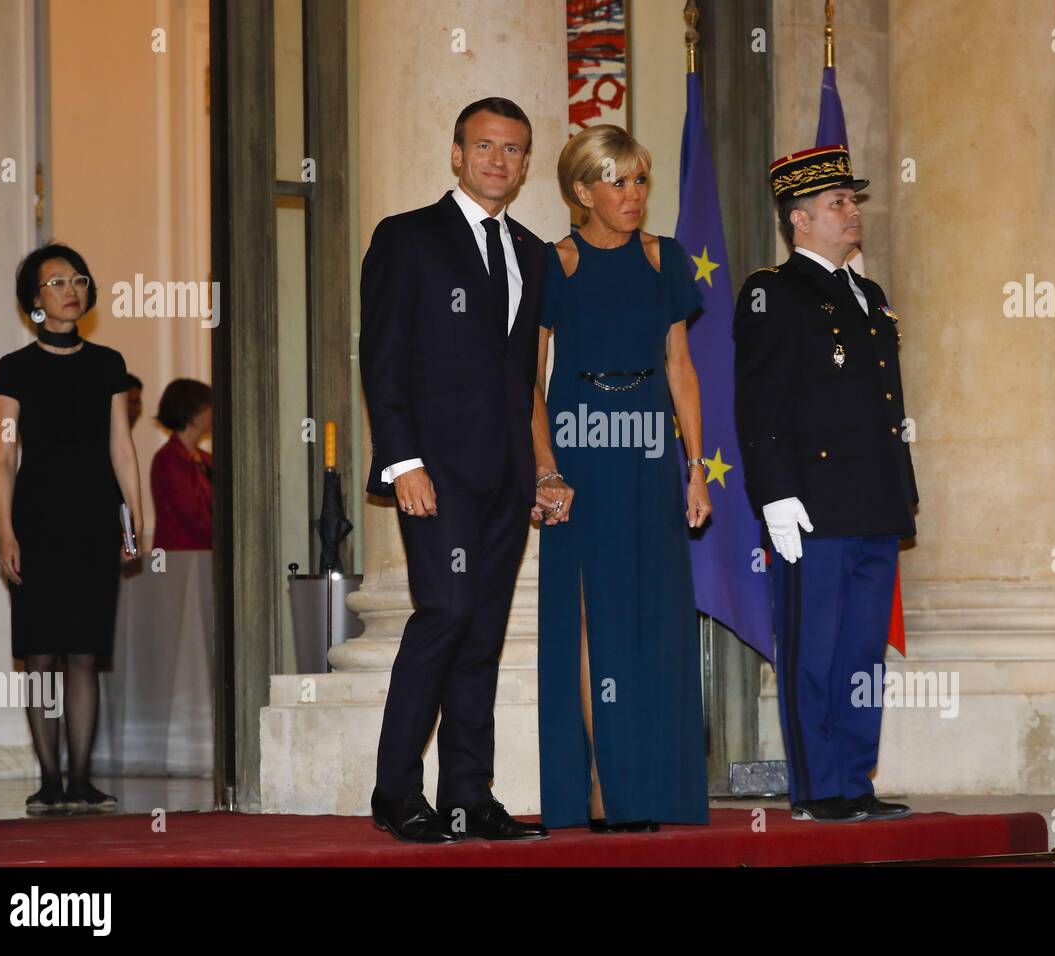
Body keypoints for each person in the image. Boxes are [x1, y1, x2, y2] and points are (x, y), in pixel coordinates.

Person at [359, 97, 549, 843]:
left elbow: (522, 377)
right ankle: (395, 790)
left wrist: (540, 470)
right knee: (446, 616)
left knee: (483, 634)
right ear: (456, 154)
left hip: (505, 477)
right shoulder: (406, 238)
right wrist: (401, 459)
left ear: (526, 163)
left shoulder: (531, 251)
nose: (498, 161)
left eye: (513, 150)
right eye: (485, 147)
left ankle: (469, 796)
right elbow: (384, 359)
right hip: (433, 470)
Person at [531, 125, 711, 832]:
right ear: (582, 192)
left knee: (650, 617)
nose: (633, 195)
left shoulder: (665, 258)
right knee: (588, 617)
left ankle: (651, 781)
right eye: (617, 181)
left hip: (646, 446)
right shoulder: (557, 263)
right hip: (579, 447)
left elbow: (681, 369)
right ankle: (604, 785)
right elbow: (529, 380)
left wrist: (695, 468)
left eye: (640, 180)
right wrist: (546, 472)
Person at [734, 145, 917, 823]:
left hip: (871, 500)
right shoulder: (771, 291)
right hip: (812, 504)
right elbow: (760, 400)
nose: (851, 213)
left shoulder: (868, 295)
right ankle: (817, 789)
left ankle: (854, 779)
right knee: (815, 650)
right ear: (799, 219)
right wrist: (775, 493)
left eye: (852, 200)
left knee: (863, 655)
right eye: (837, 203)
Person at [0, 243, 144, 815]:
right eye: (55, 282)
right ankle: (48, 780)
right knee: (39, 656)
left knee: (84, 653)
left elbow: (121, 445)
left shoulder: (108, 363)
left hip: (92, 521)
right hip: (35, 519)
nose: (70, 289)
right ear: (35, 301)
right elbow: (4, 457)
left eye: (77, 279)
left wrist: (135, 511)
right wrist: (6, 531)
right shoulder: (15, 369)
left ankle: (80, 779)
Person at [151, 379, 213, 551]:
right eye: (209, 406)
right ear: (193, 412)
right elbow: (193, 515)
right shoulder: (168, 458)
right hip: (180, 558)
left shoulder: (206, 458)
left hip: (204, 556)